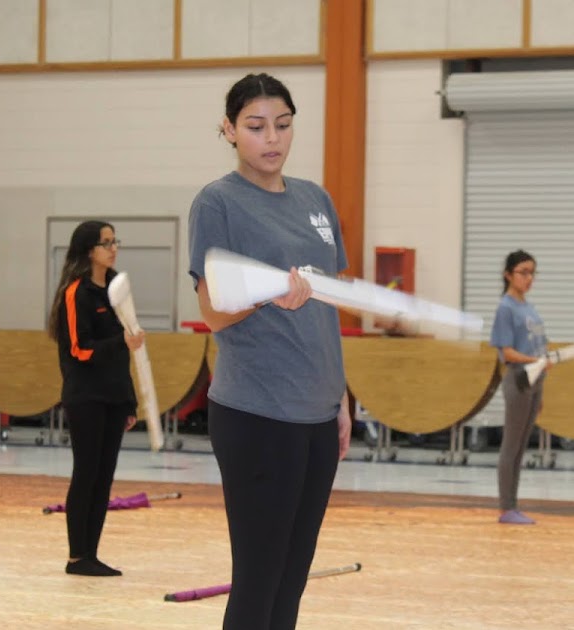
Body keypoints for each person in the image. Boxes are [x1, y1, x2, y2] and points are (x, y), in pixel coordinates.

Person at [188, 72, 351, 630]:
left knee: (293, 578)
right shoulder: (218, 203)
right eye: (256, 127)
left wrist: (342, 396)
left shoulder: (316, 199)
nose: (272, 139)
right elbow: (212, 312)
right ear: (229, 130)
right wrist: (268, 290)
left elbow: (326, 304)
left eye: (282, 125)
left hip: (318, 413)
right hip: (257, 413)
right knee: (259, 579)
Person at [48, 221, 143, 577]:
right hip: (86, 395)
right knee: (86, 472)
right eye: (106, 242)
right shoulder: (77, 293)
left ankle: (92, 553)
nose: (113, 247)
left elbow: (122, 355)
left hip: (114, 396)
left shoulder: (116, 290)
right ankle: (76, 556)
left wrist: (128, 401)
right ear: (89, 249)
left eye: (115, 241)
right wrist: (123, 343)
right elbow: (78, 349)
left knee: (104, 477)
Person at [489, 250, 549, 525]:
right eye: (523, 272)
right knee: (511, 445)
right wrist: (535, 361)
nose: (529, 278)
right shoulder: (506, 308)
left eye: (532, 272)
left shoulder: (529, 308)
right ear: (508, 275)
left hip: (535, 379)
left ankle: (514, 504)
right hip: (518, 378)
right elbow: (507, 352)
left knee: (522, 444)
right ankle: (506, 506)